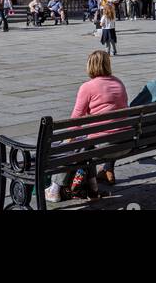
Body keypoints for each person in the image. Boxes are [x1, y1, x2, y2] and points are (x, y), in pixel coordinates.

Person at [45, 50, 129, 202]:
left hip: (103, 145)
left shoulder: (88, 87)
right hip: (124, 142)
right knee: (86, 141)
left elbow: (75, 121)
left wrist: (68, 140)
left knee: (75, 143)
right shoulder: (119, 83)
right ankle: (93, 187)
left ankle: (55, 188)